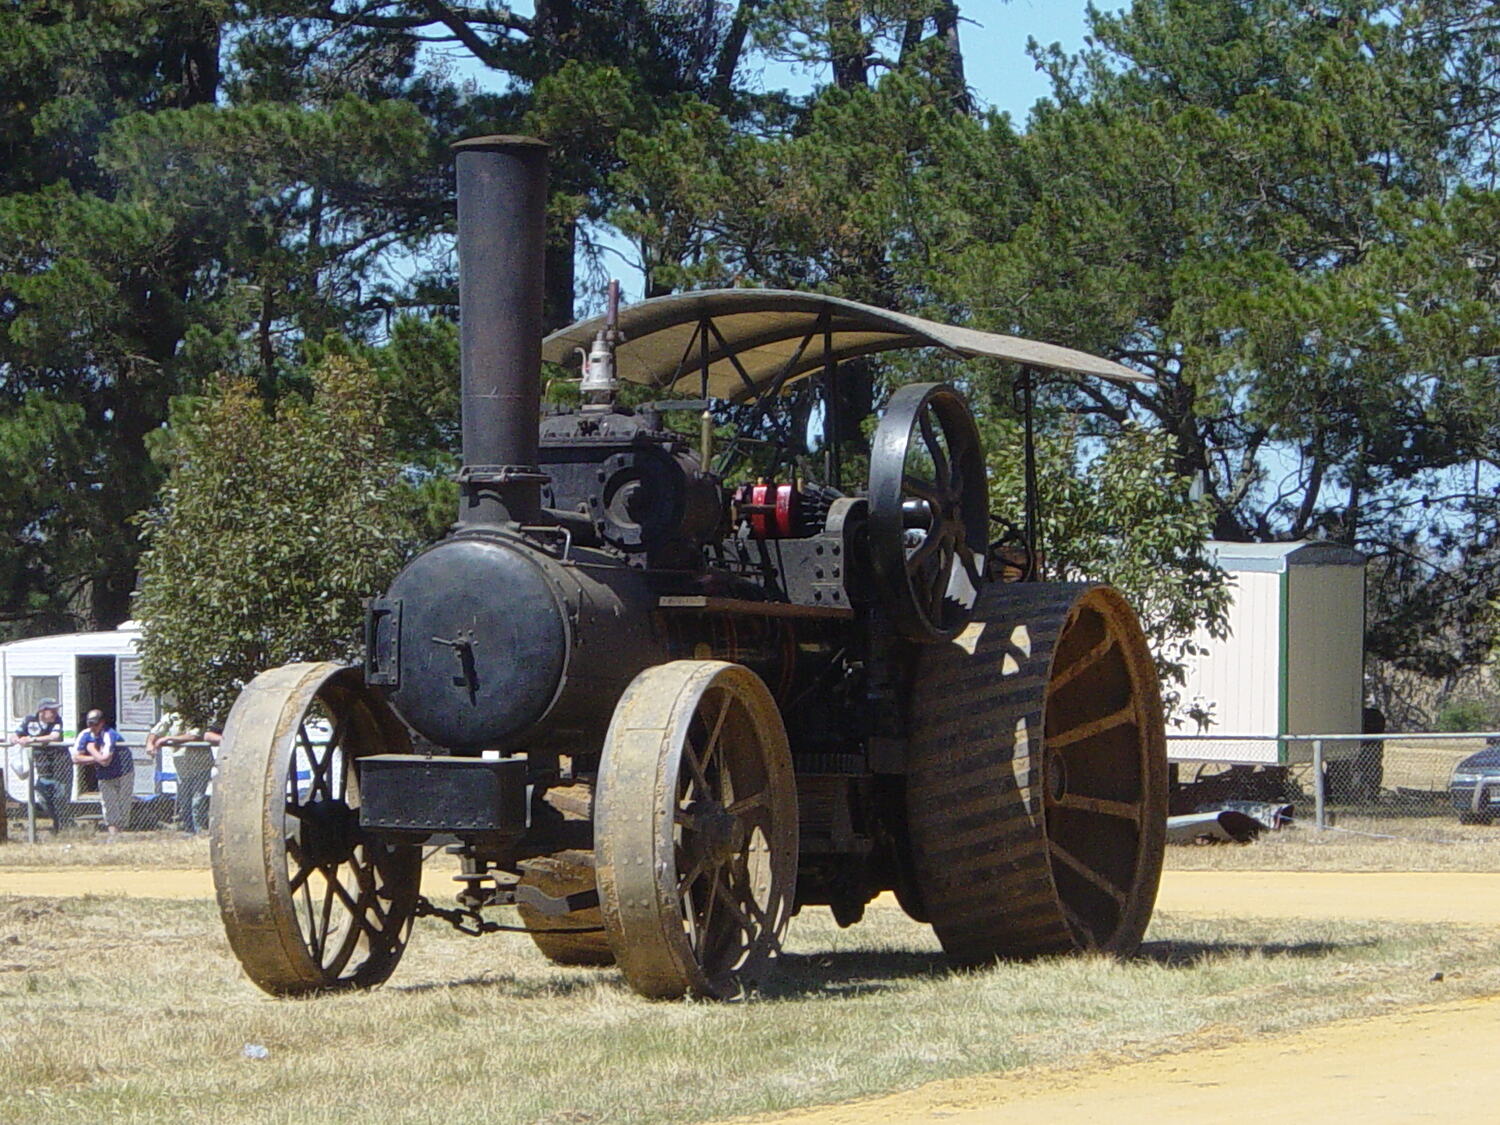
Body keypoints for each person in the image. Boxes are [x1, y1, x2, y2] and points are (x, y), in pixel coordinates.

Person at [147, 711, 220, 836]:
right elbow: (156, 731)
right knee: (184, 800)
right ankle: (188, 830)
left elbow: (195, 736)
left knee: (197, 800)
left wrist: (168, 738)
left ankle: (200, 831)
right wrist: (150, 744)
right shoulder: (172, 715)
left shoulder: (199, 715)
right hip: (182, 766)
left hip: (200, 765)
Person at [11, 698, 71, 832]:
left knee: (60, 798)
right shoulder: (29, 720)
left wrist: (32, 739)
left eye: (56, 709)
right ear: (42, 711)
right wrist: (17, 739)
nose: (56, 712)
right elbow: (15, 735)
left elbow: (54, 736)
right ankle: (59, 824)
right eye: (52, 710)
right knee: (42, 795)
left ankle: (64, 828)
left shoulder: (57, 721)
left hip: (60, 765)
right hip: (43, 767)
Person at [72, 710, 133, 836]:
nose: (92, 727)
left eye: (95, 724)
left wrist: (91, 749)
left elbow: (105, 760)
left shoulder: (109, 734)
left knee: (123, 803)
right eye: (89, 724)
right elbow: (76, 758)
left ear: (102, 723)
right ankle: (113, 835)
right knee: (108, 803)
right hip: (104, 775)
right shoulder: (85, 735)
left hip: (123, 772)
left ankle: (122, 832)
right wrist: (97, 757)